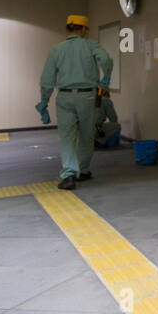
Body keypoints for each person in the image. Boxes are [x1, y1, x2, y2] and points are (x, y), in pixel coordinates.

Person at [37, 14, 113, 190]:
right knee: (87, 134)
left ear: (67, 29)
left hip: (64, 97)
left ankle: (69, 174)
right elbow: (106, 60)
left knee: (67, 138)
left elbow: (47, 79)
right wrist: (106, 78)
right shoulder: (90, 45)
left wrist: (44, 101)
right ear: (83, 29)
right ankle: (83, 170)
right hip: (87, 96)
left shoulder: (56, 50)